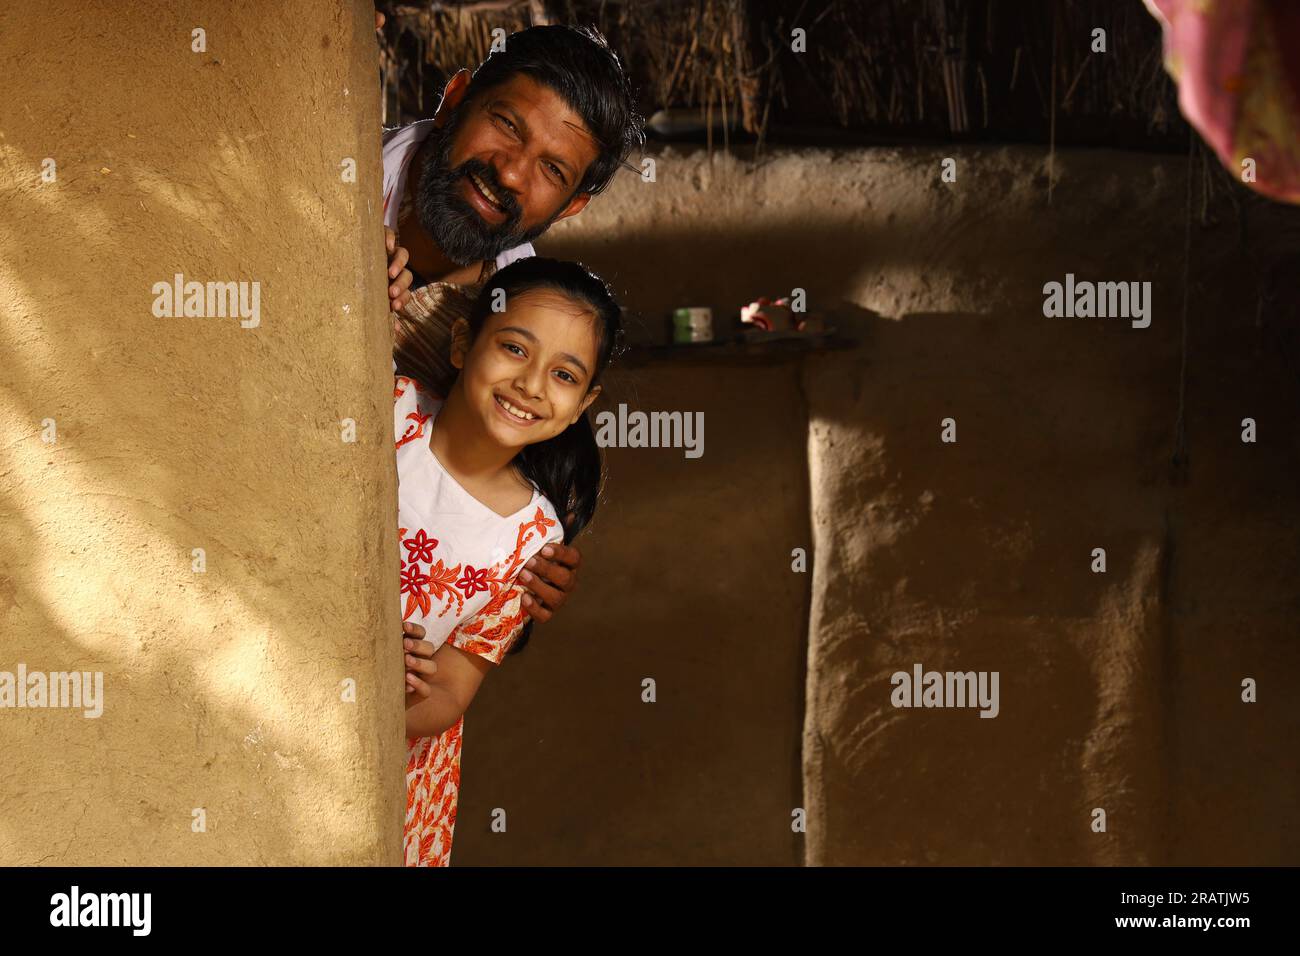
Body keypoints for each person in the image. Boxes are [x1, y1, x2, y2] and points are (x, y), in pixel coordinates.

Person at [382, 23, 644, 627]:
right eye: (505, 125)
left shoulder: (517, 320)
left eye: (552, 170)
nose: (509, 173)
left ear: (572, 204)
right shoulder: (321, 188)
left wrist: (515, 573)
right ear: (454, 100)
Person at [395, 256, 624, 866]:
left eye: (565, 375)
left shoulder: (532, 542)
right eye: (515, 348)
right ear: (464, 342)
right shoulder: (380, 412)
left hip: (385, 757)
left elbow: (450, 690)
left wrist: (389, 687)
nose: (530, 385)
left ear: (583, 404)